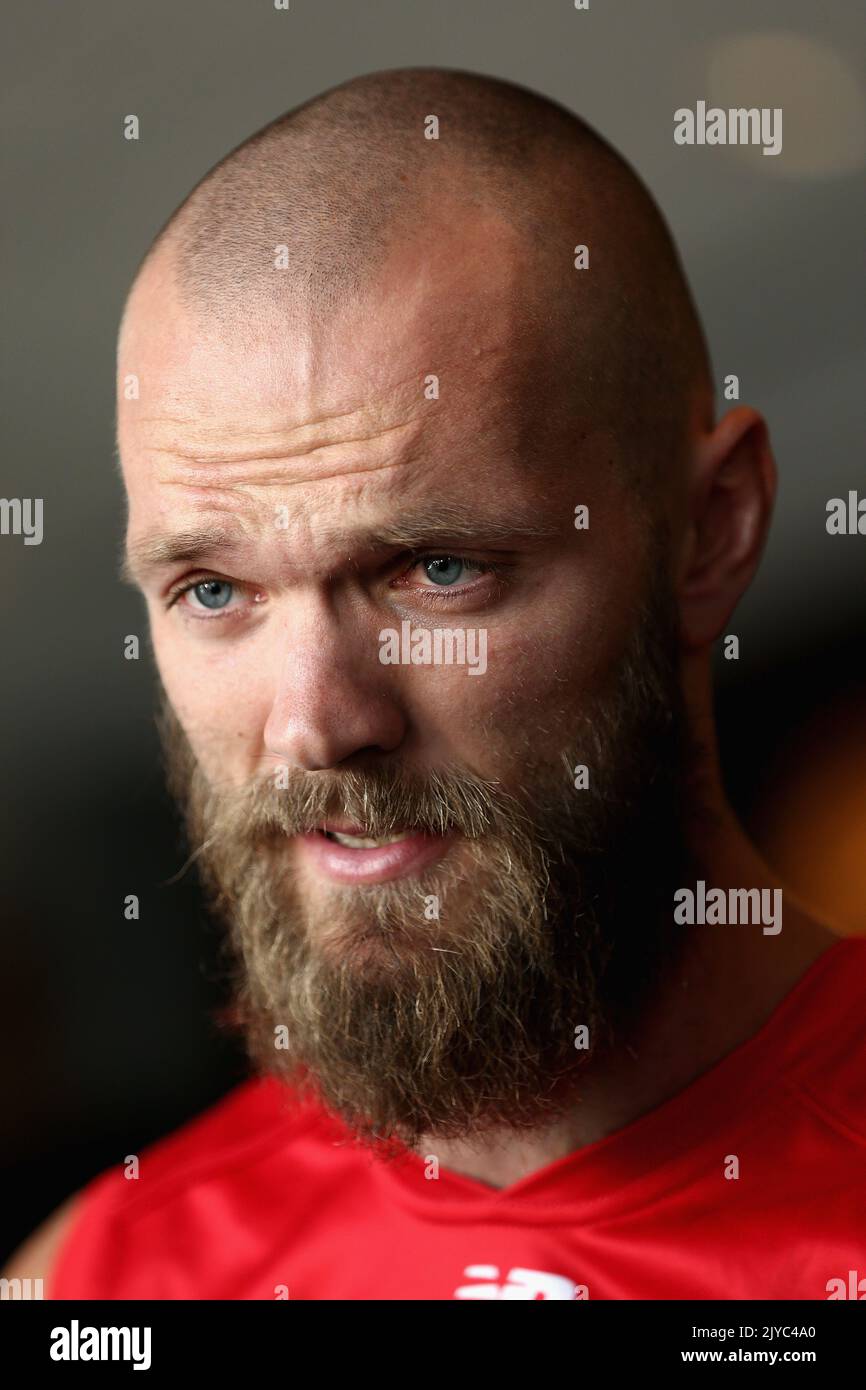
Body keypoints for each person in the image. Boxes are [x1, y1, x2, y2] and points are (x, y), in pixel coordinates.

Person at [5, 67, 863, 1301]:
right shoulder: (113, 1275)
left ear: (707, 530)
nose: (314, 724)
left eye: (436, 567)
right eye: (211, 590)